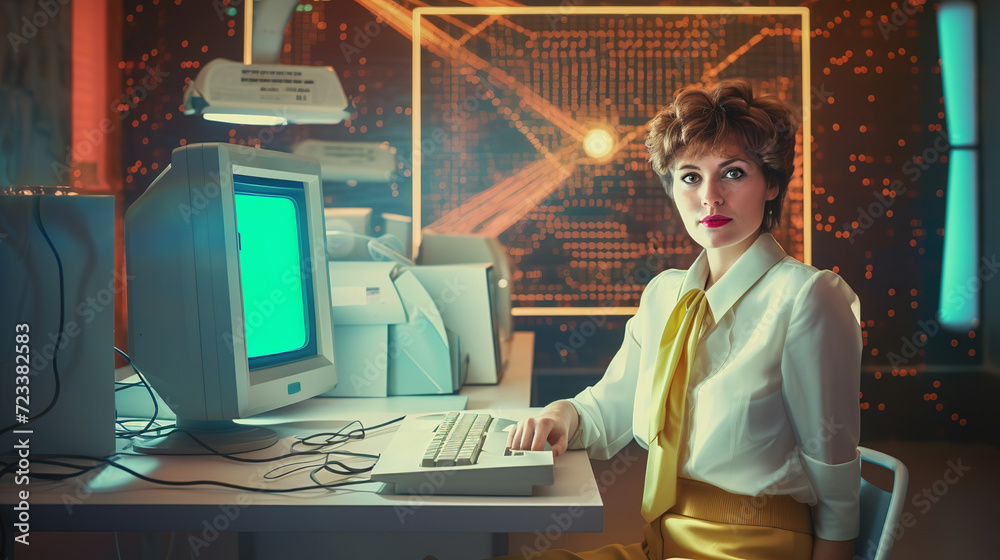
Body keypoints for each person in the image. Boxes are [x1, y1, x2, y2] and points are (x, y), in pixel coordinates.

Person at [506, 79, 862, 560]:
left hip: (753, 544)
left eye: (733, 173)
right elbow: (612, 405)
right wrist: (561, 415)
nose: (710, 197)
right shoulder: (665, 294)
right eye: (690, 176)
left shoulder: (807, 297)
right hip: (662, 543)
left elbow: (834, 467)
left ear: (772, 182)